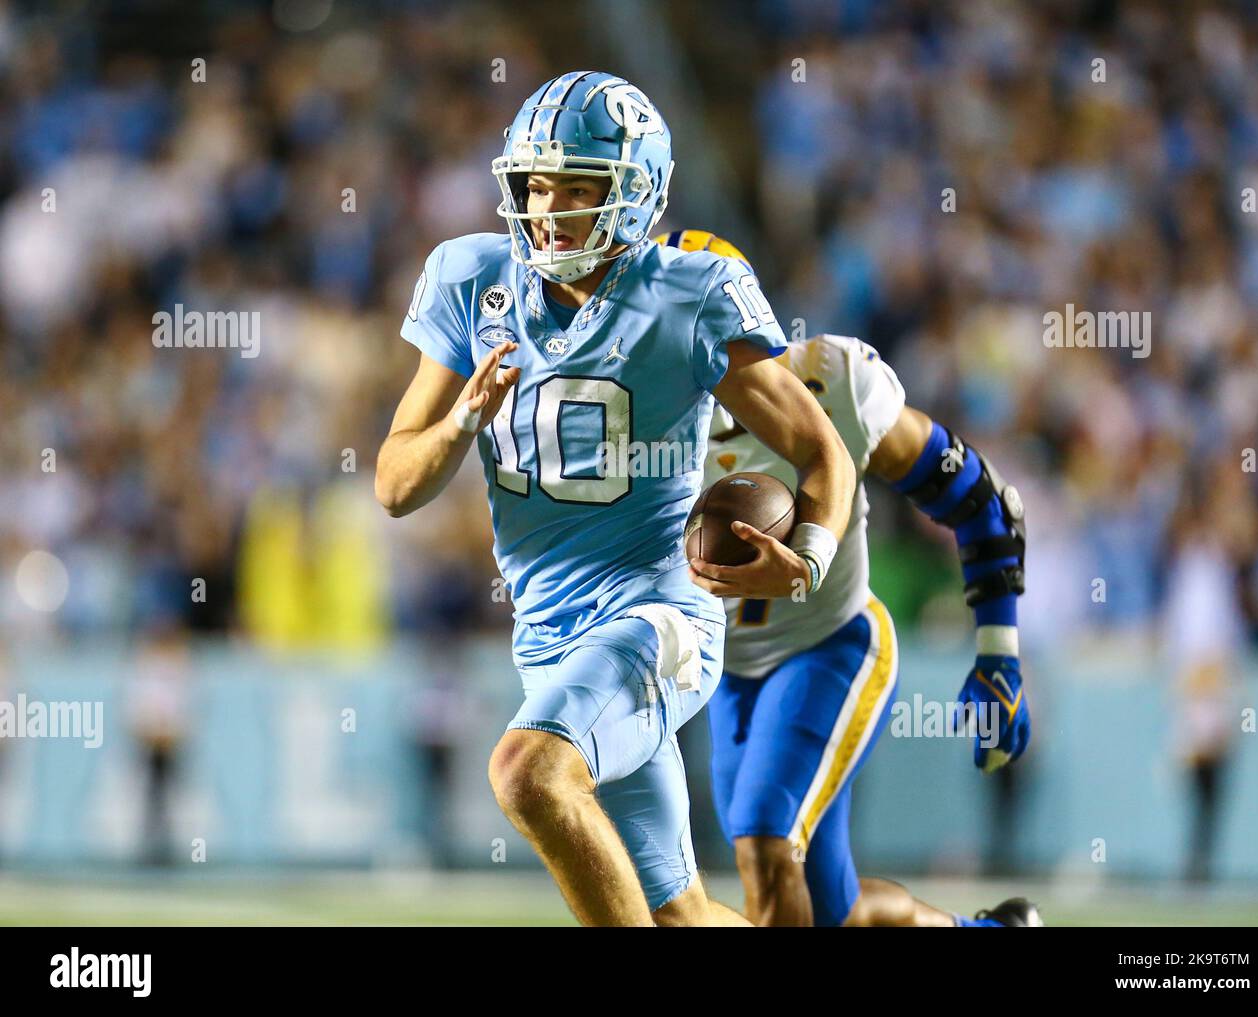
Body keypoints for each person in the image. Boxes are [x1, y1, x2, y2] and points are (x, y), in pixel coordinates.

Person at [376, 74, 856, 926]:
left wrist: (810, 556)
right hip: (548, 635)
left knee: (527, 770)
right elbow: (394, 484)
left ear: (634, 195)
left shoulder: (689, 295)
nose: (549, 206)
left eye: (579, 185)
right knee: (681, 915)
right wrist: (460, 424)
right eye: (536, 182)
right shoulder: (470, 279)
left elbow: (821, 449)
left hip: (661, 612)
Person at [661, 228, 1038, 927]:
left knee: (766, 843)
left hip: (833, 645)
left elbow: (983, 500)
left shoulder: (834, 382)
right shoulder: (629, 424)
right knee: (833, 908)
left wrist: (999, 653)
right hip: (729, 677)